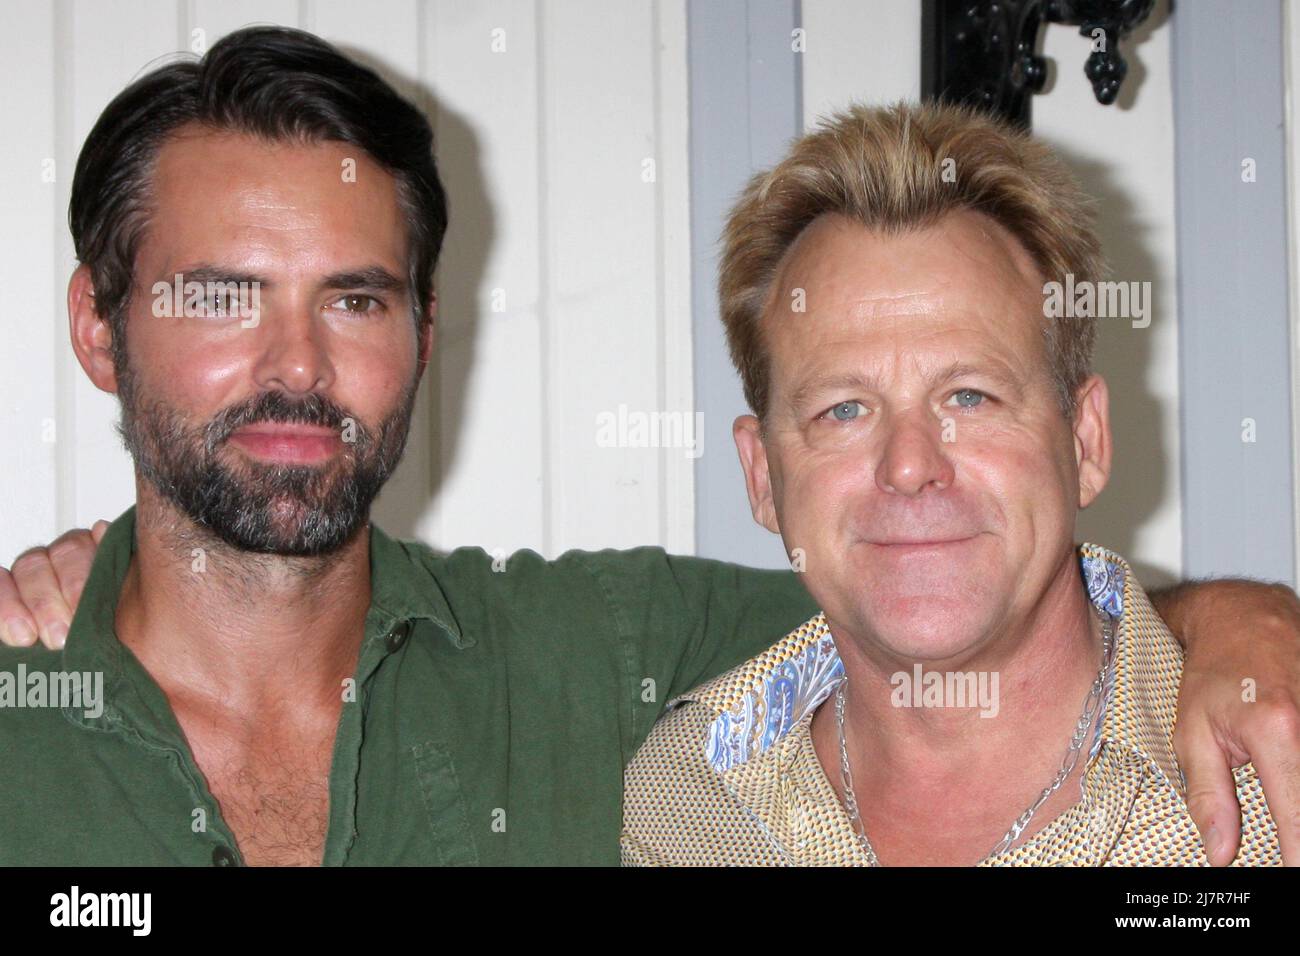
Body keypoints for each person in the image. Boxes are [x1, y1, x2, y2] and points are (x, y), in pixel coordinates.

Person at [2, 28, 1298, 866]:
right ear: (99, 329)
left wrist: (1244, 625)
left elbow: (947, 596)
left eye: (354, 298)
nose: (296, 365)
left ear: (425, 331)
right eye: (224, 297)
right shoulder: (21, 707)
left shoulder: (616, 657)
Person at [622, 101, 1286, 865]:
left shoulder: (1273, 777)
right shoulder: (685, 799)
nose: (909, 464)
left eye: (969, 396)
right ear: (763, 474)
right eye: (844, 409)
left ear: (1086, 439)